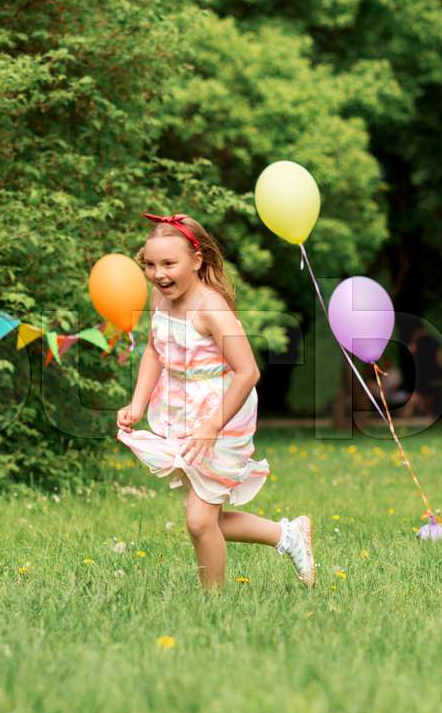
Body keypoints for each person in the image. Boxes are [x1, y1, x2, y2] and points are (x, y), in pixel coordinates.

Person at [116, 213, 313, 588]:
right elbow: (155, 352)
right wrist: (137, 404)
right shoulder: (161, 298)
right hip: (184, 413)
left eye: (169, 264)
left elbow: (248, 372)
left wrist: (212, 426)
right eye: (151, 265)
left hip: (223, 415)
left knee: (199, 520)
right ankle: (287, 535)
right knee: (207, 517)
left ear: (196, 259)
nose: (158, 274)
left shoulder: (211, 307)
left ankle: (213, 605)